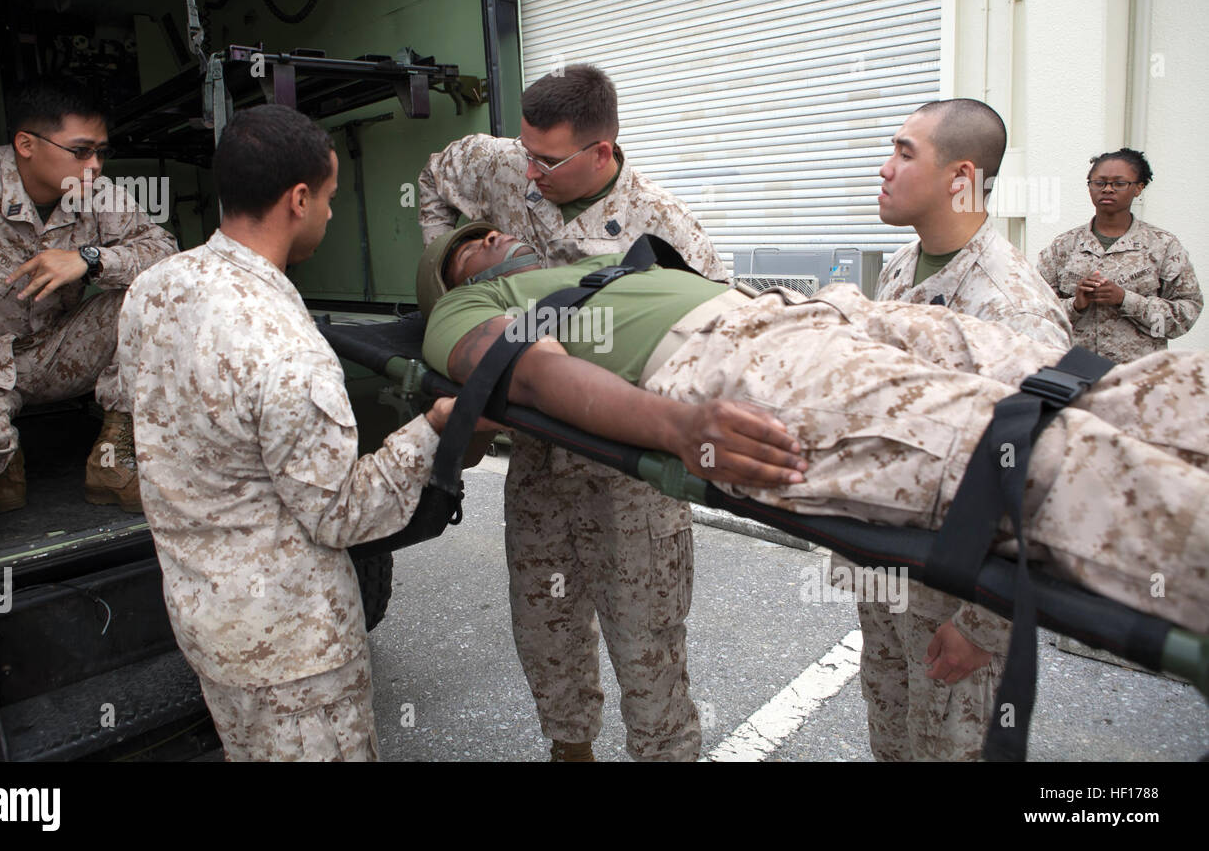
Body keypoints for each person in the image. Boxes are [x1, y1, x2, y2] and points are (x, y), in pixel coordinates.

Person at [417, 228, 1209, 641]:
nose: (489, 242)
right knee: (1023, 453)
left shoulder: (614, 264)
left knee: (1093, 383)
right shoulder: (467, 311)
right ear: (451, 285)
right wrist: (677, 428)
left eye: (489, 235)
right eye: (466, 251)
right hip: (730, 362)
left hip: (809, 311)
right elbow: (527, 373)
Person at [117, 104, 466, 761]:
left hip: (206, 622)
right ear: (298, 199)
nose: (332, 215)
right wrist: (434, 430)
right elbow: (343, 513)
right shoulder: (288, 352)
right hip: (295, 655)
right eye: (330, 198)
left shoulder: (156, 287)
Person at [418, 64, 727, 761]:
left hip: (629, 478)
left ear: (602, 153)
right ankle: (569, 749)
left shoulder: (668, 231)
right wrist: (448, 273)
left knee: (647, 647)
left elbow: (709, 351)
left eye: (547, 162)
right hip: (536, 457)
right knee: (545, 624)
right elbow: (437, 175)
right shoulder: (504, 167)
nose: (528, 175)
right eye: (525, 154)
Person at [841, 99, 1072, 761]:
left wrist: (984, 625)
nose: (884, 169)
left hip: (959, 594)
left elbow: (1045, 475)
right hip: (888, 569)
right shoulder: (899, 268)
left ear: (960, 175)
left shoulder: (1013, 305)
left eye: (905, 152)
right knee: (892, 740)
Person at [0, 77, 178, 513]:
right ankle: (0, 455)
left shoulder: (97, 195)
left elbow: (165, 254)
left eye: (101, 152)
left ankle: (114, 457)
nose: (95, 165)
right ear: (26, 144)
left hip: (55, 351)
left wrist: (89, 259)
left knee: (163, 298)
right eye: (81, 150)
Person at [1038, 148, 1201, 362]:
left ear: (1139, 188)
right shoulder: (1063, 247)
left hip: (1138, 377)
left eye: (1119, 183)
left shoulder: (1163, 245)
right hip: (1075, 375)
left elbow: (1185, 315)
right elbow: (1036, 314)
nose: (1108, 189)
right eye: (1099, 182)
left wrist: (1126, 300)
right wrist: (1075, 305)